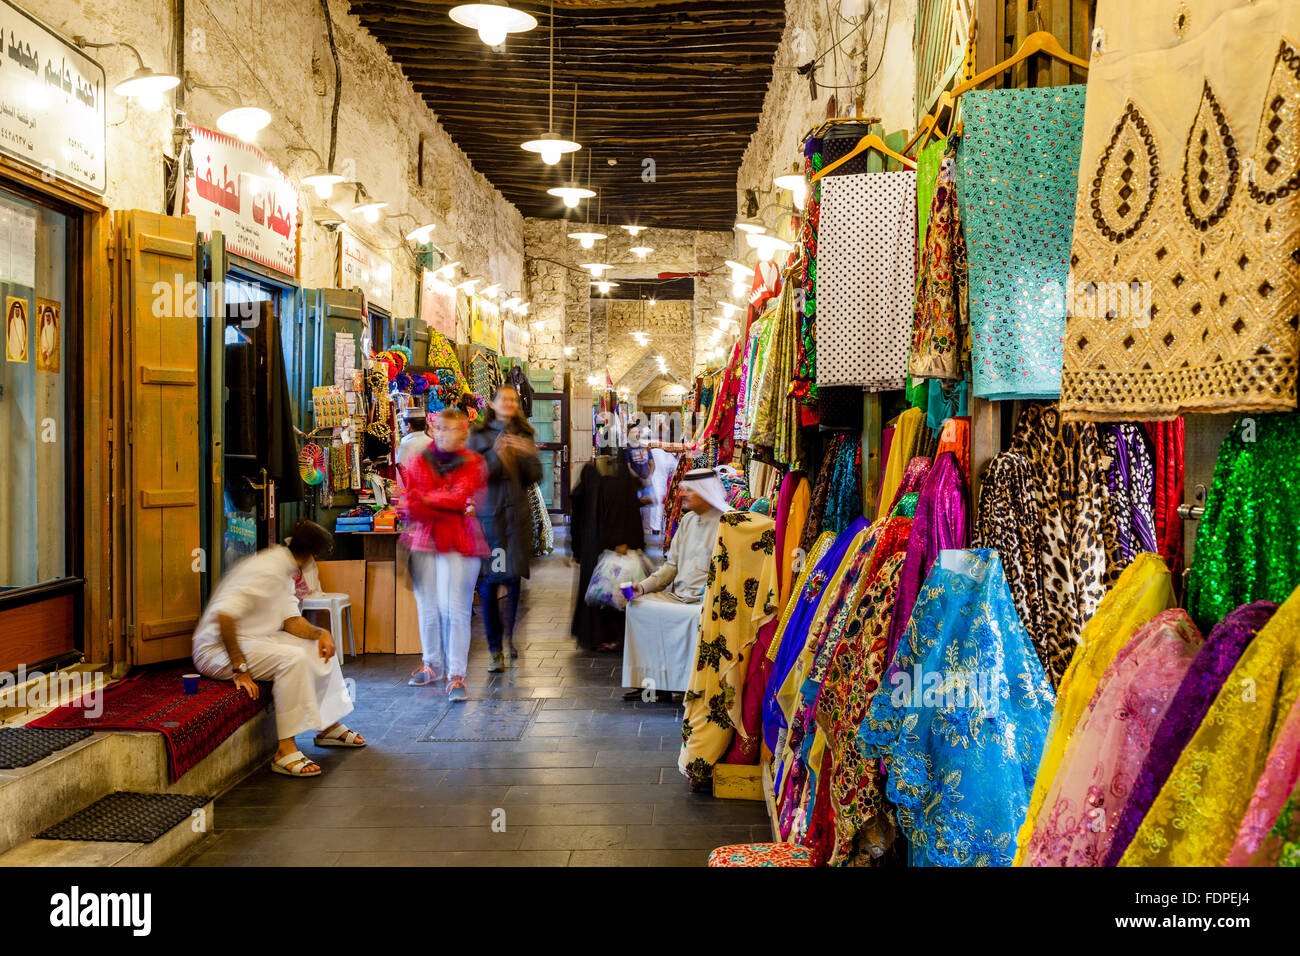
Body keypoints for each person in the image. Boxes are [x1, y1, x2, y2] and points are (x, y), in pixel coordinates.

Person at [191, 520, 362, 778]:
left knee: (318, 649)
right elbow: (225, 617)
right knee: (292, 659)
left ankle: (328, 725)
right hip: (216, 650)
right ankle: (285, 750)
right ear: (310, 556)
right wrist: (240, 668)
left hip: (256, 639)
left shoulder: (284, 568)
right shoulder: (266, 569)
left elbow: (290, 620)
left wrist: (320, 634)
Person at [401, 407, 488, 702]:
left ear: (464, 432)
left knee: (456, 610)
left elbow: (461, 497)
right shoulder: (419, 462)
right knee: (427, 607)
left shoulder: (473, 462)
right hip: (425, 541)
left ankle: (456, 675)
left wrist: (428, 499)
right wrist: (440, 499)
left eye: (453, 429)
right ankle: (431, 664)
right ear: (434, 430)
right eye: (441, 428)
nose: (446, 434)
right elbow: (409, 504)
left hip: (461, 542)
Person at [621, 468, 731, 700]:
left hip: (706, 602)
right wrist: (643, 587)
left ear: (704, 492)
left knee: (693, 619)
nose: (682, 495)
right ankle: (653, 685)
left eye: (689, 490)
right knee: (637, 607)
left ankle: (689, 684)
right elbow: (671, 566)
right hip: (679, 597)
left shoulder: (727, 525)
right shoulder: (688, 521)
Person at [468, 384, 542, 671]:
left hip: (518, 521)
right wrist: (497, 454)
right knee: (490, 584)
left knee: (513, 583)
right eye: (504, 399)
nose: (509, 403)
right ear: (493, 403)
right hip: (493, 521)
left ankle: (509, 639)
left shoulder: (525, 434)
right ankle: (494, 647)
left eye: (513, 399)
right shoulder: (479, 436)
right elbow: (475, 474)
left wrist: (526, 454)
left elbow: (535, 476)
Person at [394, 408, 432, 476]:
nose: (401, 425)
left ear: (408, 426)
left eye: (402, 423)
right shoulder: (432, 443)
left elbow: (402, 476)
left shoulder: (406, 445)